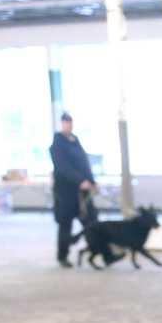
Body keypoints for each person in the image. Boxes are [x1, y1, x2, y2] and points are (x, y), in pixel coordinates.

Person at [49, 110, 95, 268]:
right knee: (65, 225)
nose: (69, 125)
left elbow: (84, 162)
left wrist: (91, 181)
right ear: (62, 124)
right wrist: (80, 181)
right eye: (66, 122)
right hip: (65, 193)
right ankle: (62, 256)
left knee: (92, 222)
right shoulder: (57, 145)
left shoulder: (76, 141)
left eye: (70, 122)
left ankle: (103, 251)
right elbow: (63, 168)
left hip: (83, 193)